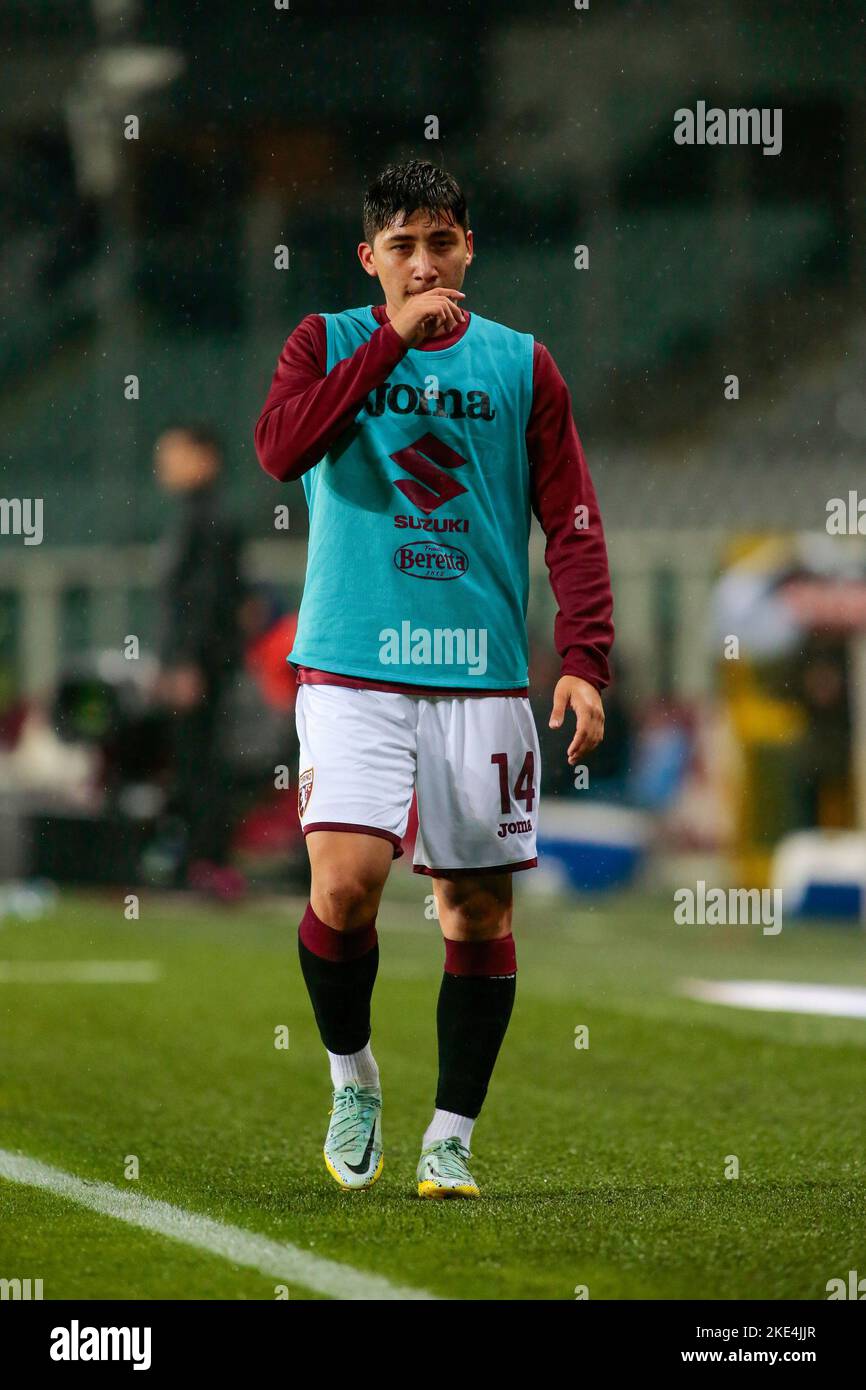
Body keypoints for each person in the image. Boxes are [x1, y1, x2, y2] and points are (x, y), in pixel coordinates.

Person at [254, 159, 613, 1198]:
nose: (423, 262)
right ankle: (352, 1076)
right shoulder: (323, 342)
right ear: (370, 260)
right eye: (401, 246)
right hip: (352, 666)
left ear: (467, 250)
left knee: (472, 910)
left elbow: (574, 522)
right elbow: (282, 449)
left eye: (441, 242)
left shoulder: (523, 365)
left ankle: (449, 1133)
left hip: (481, 676)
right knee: (344, 884)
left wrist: (584, 661)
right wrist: (387, 343)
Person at [153, 425, 245, 900]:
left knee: (204, 761)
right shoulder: (194, 515)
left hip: (202, 665)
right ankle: (196, 860)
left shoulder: (211, 518)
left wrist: (186, 663)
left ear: (205, 457)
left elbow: (207, 599)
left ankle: (208, 863)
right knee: (193, 761)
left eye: (172, 453)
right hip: (195, 663)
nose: (162, 464)